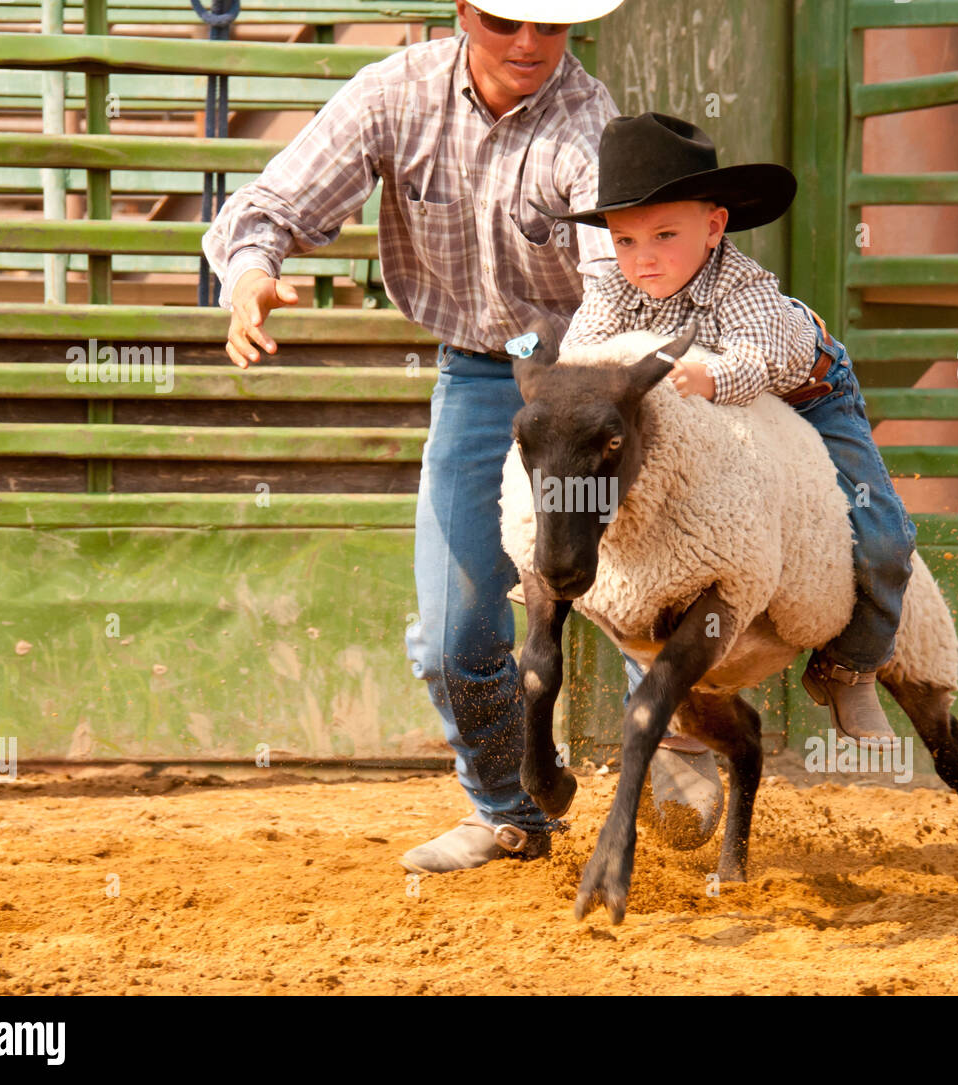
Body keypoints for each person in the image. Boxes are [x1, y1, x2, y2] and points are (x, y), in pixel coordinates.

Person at [203, 0, 718, 875]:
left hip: (598, 380)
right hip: (483, 374)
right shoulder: (392, 96)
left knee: (640, 577)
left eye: (550, 28)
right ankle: (507, 807)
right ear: (463, 11)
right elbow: (274, 198)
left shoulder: (585, 127)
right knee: (453, 629)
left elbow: (614, 282)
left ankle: (675, 739)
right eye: (506, 21)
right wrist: (252, 272)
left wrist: (606, 406)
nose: (528, 45)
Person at [537, 112, 916, 748]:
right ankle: (662, 686)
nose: (644, 257)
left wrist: (707, 376)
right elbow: (582, 366)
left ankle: (852, 667)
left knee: (882, 535)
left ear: (714, 227)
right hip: (713, 427)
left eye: (663, 235)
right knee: (652, 541)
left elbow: (755, 362)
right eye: (625, 241)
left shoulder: (744, 286)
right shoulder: (611, 292)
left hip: (807, 396)